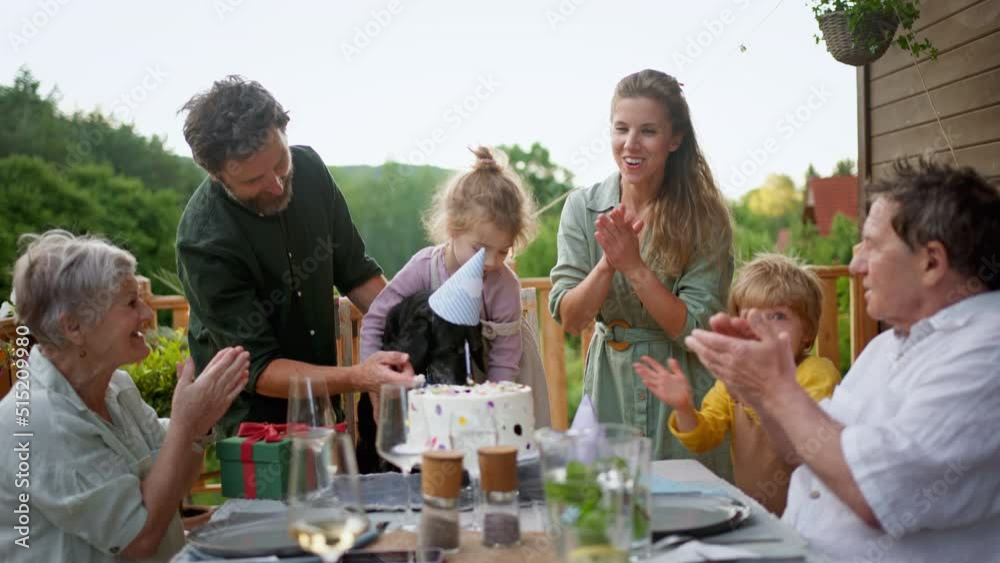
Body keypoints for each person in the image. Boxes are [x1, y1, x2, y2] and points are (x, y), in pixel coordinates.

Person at [685, 159, 1000, 561]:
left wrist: (776, 387)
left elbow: (879, 493)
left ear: (932, 262)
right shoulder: (888, 346)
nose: (855, 265)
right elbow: (801, 451)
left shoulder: (987, 351)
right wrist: (754, 388)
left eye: (872, 245)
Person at [176, 76, 414, 437]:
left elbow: (357, 274)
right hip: (254, 427)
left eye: (280, 162)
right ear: (218, 175)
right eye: (255, 180)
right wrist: (357, 377)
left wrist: (419, 327)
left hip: (319, 408)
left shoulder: (310, 171)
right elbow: (259, 369)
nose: (275, 184)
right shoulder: (204, 242)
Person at [0, 231, 248, 562]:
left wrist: (199, 427)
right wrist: (187, 421)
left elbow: (177, 478)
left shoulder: (115, 386)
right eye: (131, 303)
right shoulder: (38, 420)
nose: (148, 315)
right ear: (73, 326)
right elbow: (139, 541)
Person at [549, 69, 734, 475]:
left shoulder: (704, 218)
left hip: (678, 388)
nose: (630, 144)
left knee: (686, 511)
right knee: (611, 516)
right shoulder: (582, 208)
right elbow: (572, 317)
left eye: (647, 131)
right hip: (608, 387)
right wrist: (608, 263)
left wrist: (634, 267)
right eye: (621, 129)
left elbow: (694, 330)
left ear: (675, 139)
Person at [635, 253, 841, 514]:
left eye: (777, 316)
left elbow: (801, 444)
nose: (761, 328)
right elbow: (704, 438)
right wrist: (684, 407)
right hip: (755, 512)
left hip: (811, 514)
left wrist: (751, 395)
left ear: (808, 332)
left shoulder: (817, 373)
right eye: (751, 317)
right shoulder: (731, 380)